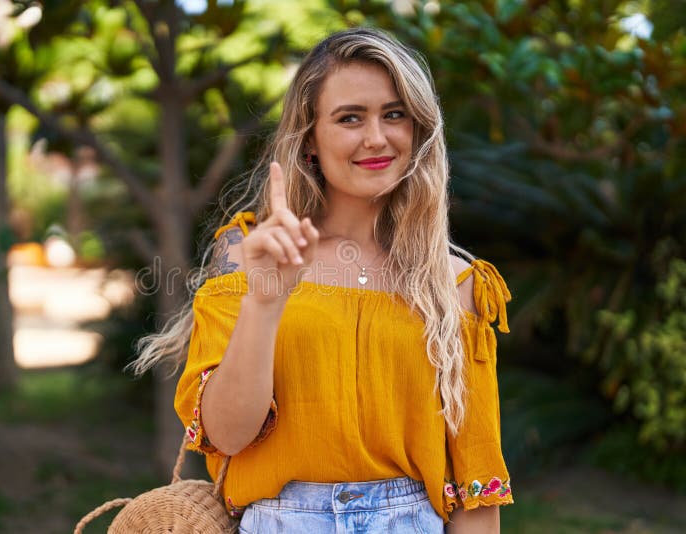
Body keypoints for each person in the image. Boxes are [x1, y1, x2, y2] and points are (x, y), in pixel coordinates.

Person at [134, 27, 514, 533]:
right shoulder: (250, 255)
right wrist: (266, 302)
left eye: (394, 114)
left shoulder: (457, 281)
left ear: (418, 128)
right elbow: (225, 435)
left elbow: (475, 485)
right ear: (310, 138)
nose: (376, 137)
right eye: (350, 118)